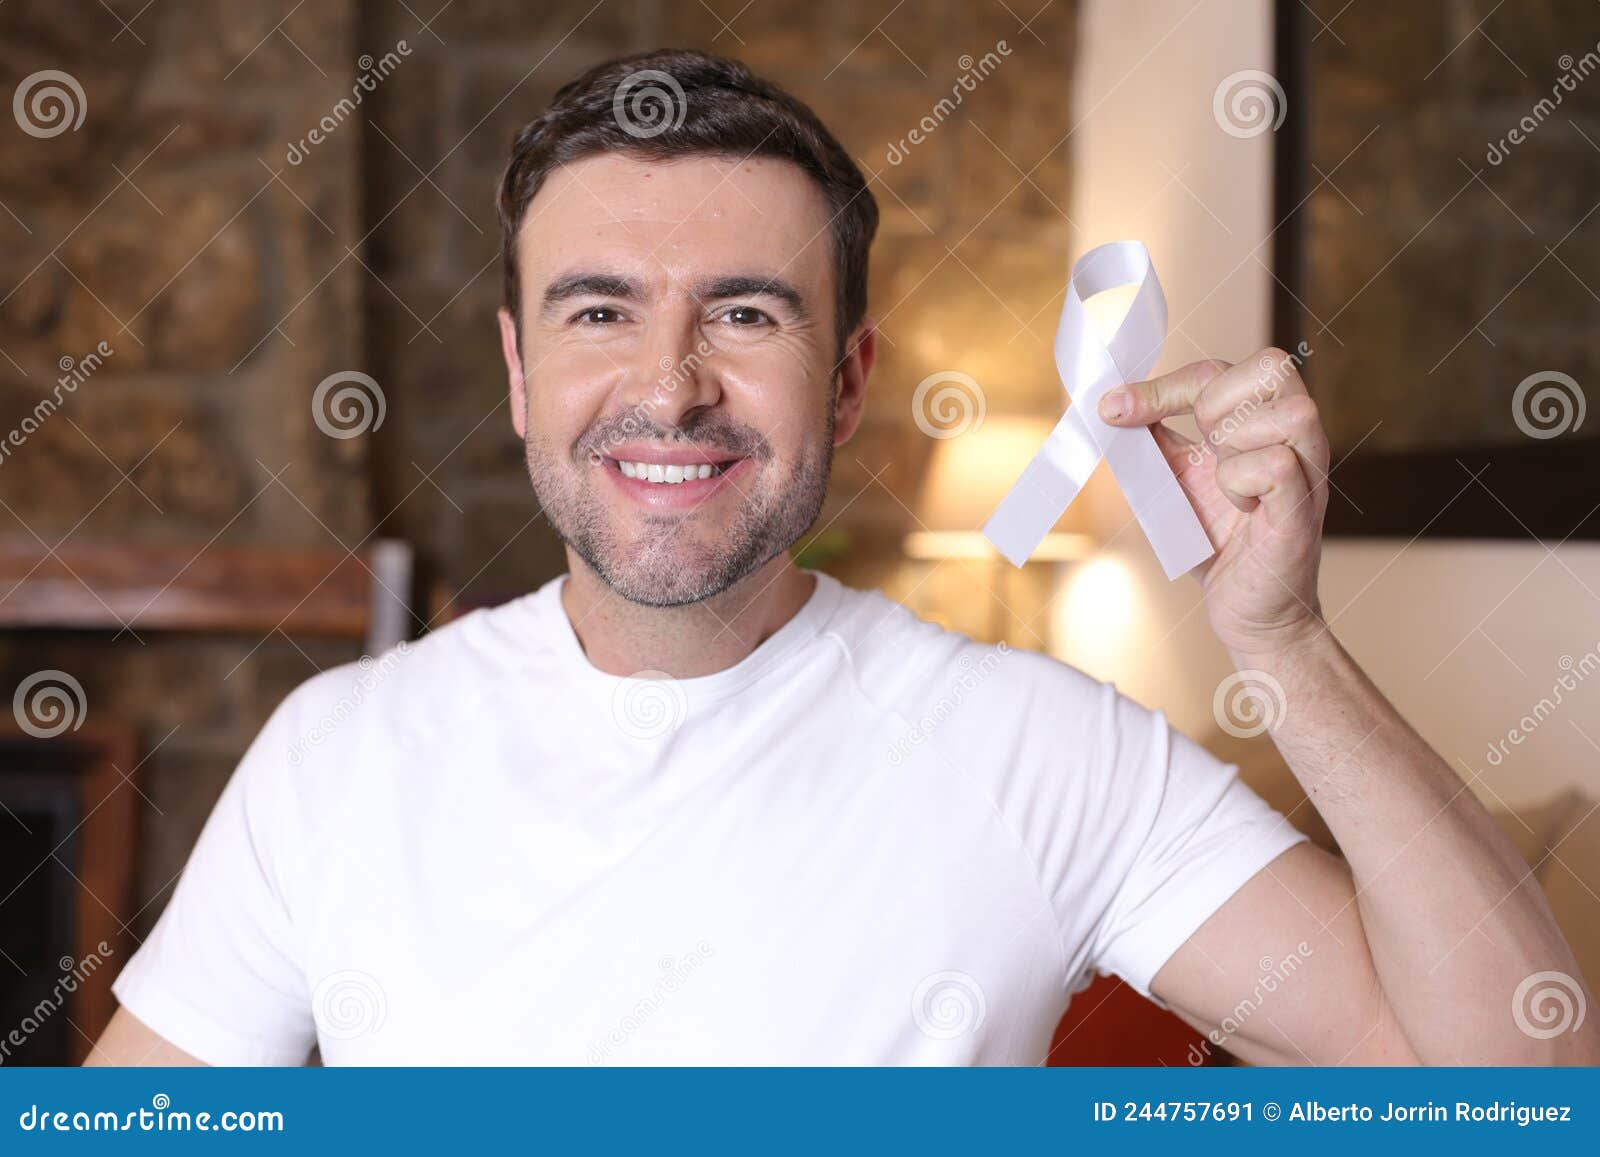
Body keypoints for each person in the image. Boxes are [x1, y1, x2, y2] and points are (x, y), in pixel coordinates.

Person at [92, 49, 1596, 1066]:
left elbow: (1518, 1083)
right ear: (518, 373)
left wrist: (1284, 642)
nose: (670, 385)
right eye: (600, 311)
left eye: (746, 313)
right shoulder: (338, 754)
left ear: (852, 379)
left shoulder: (1040, 750)